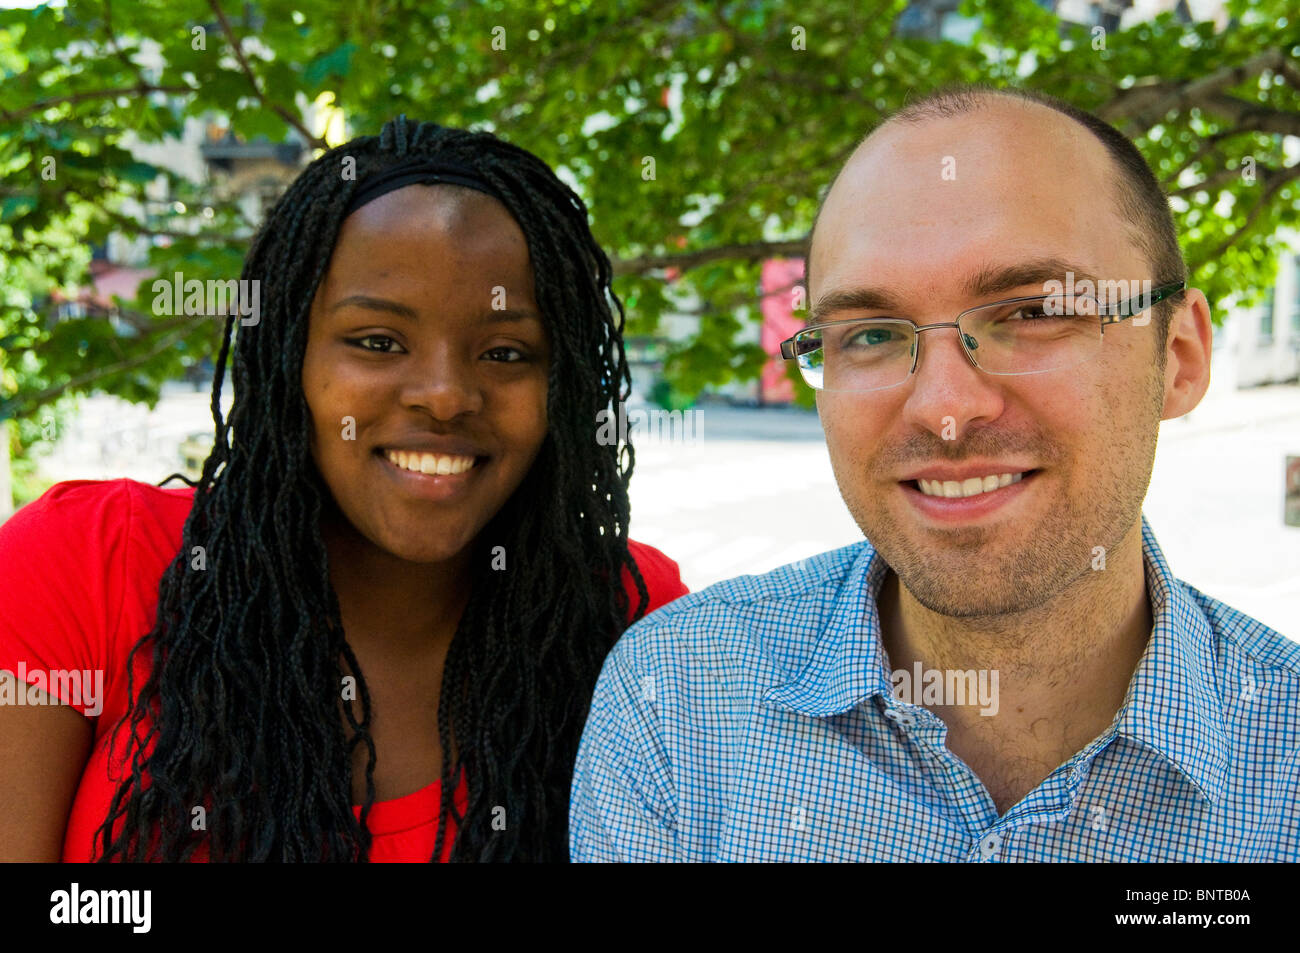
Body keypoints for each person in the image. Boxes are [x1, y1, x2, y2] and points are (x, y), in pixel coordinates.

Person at [569, 85, 1300, 862]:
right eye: (873, 333)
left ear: (1179, 357)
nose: (944, 406)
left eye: (1032, 312)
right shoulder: (678, 701)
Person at [0, 116, 688, 863]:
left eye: (505, 351)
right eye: (377, 341)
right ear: (287, 357)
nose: (446, 395)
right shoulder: (85, 563)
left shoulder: (628, 617)